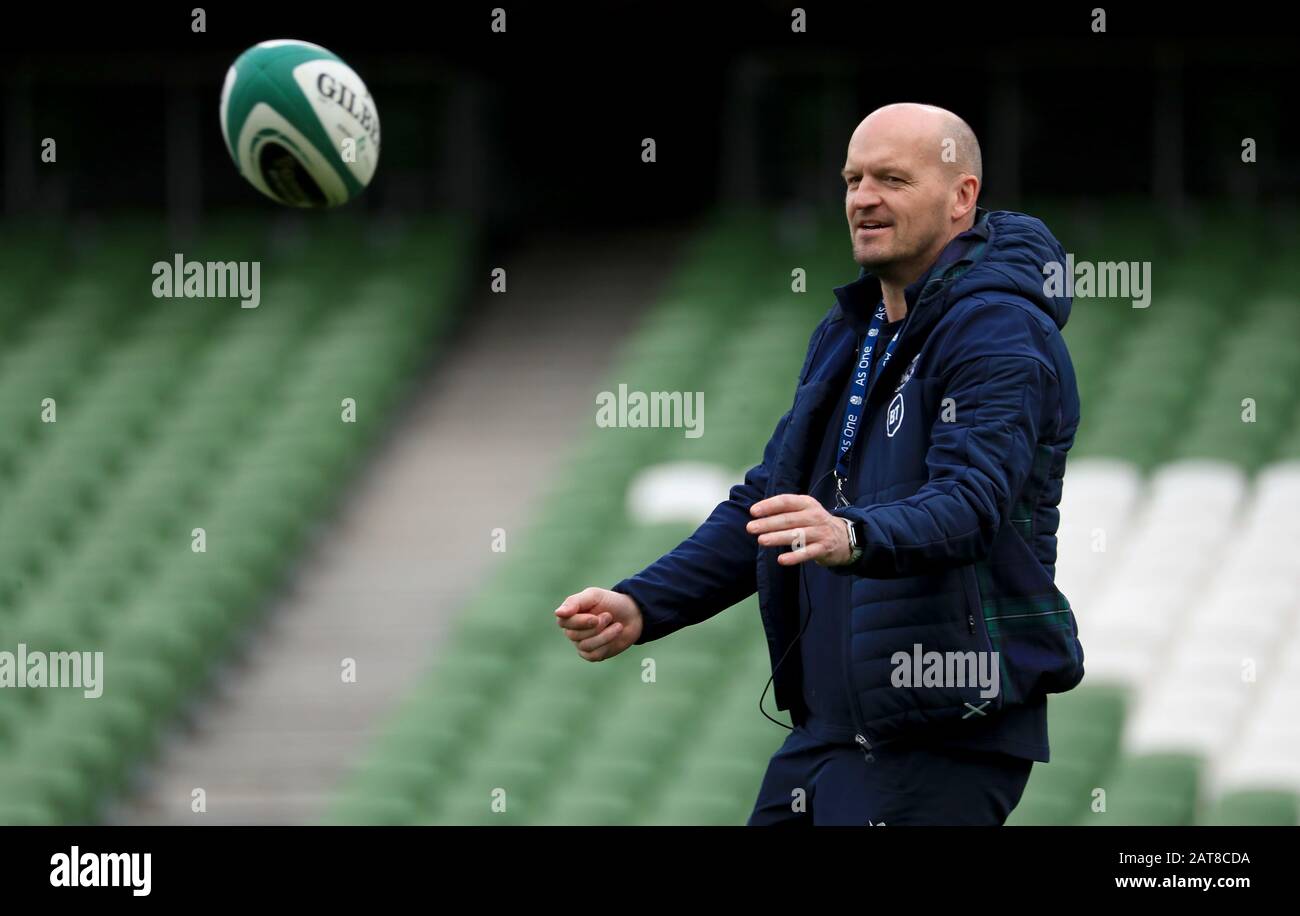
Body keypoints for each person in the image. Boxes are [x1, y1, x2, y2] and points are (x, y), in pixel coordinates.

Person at [554, 102, 1085, 825]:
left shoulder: (999, 327)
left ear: (961, 198)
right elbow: (768, 502)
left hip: (941, 735)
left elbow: (970, 503)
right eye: (853, 178)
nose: (863, 197)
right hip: (828, 738)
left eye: (892, 179)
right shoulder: (850, 330)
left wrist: (851, 535)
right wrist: (646, 603)